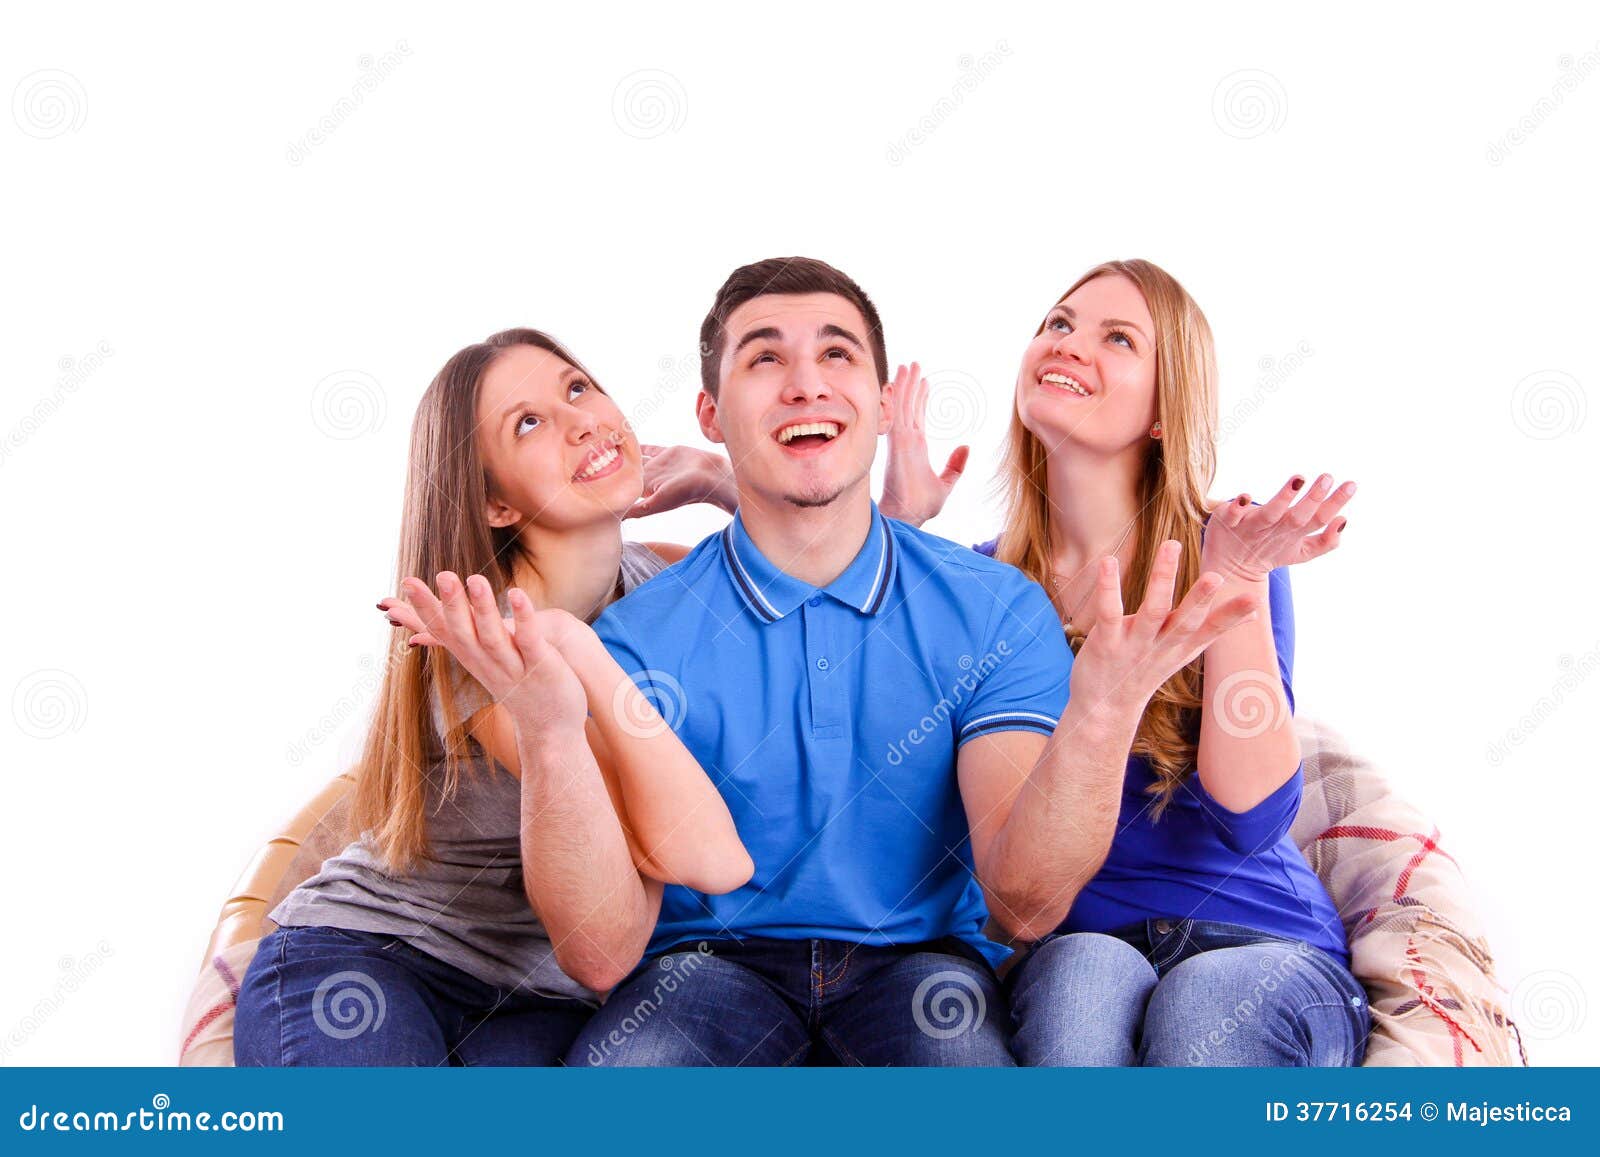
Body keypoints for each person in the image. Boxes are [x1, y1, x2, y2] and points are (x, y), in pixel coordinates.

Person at [563, 256, 1257, 1067]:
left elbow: (1024, 905)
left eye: (837, 355)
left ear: (886, 404)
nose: (805, 385)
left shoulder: (993, 608)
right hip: (702, 969)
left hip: (920, 969)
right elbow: (599, 948)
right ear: (711, 413)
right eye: (764, 359)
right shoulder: (635, 636)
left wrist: (1103, 711)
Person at [882, 259, 1368, 1066]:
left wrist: (1237, 579)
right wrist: (895, 530)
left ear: (1163, 412)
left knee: (1201, 1008)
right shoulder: (977, 587)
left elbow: (1251, 820)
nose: (1068, 345)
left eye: (1117, 338)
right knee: (1081, 985)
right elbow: (880, 759)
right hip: (1081, 940)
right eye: (1058, 324)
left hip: (1262, 938)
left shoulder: (1232, 545)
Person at [234, 328, 751, 1066]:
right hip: (377, 953)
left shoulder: (659, 578)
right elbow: (675, 867)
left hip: (536, 998)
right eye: (530, 423)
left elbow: (843, 576)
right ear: (497, 504)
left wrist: (720, 479)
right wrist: (563, 687)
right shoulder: (478, 637)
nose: (580, 420)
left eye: (577, 388)